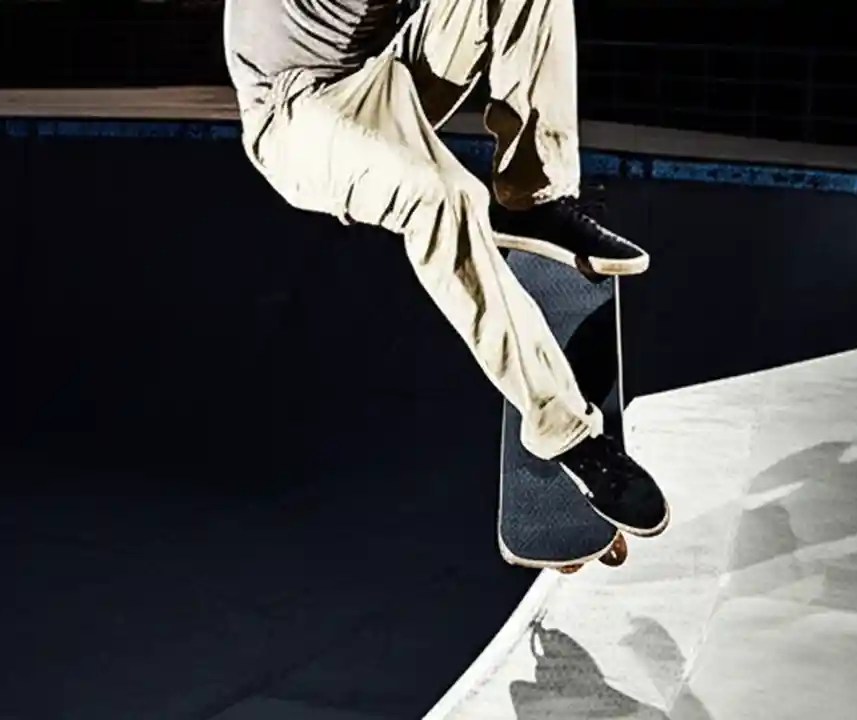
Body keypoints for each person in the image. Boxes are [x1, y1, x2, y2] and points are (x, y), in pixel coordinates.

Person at [222, 0, 668, 537]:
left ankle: (530, 196)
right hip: (295, 118)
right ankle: (565, 431)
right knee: (444, 198)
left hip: (379, 72)